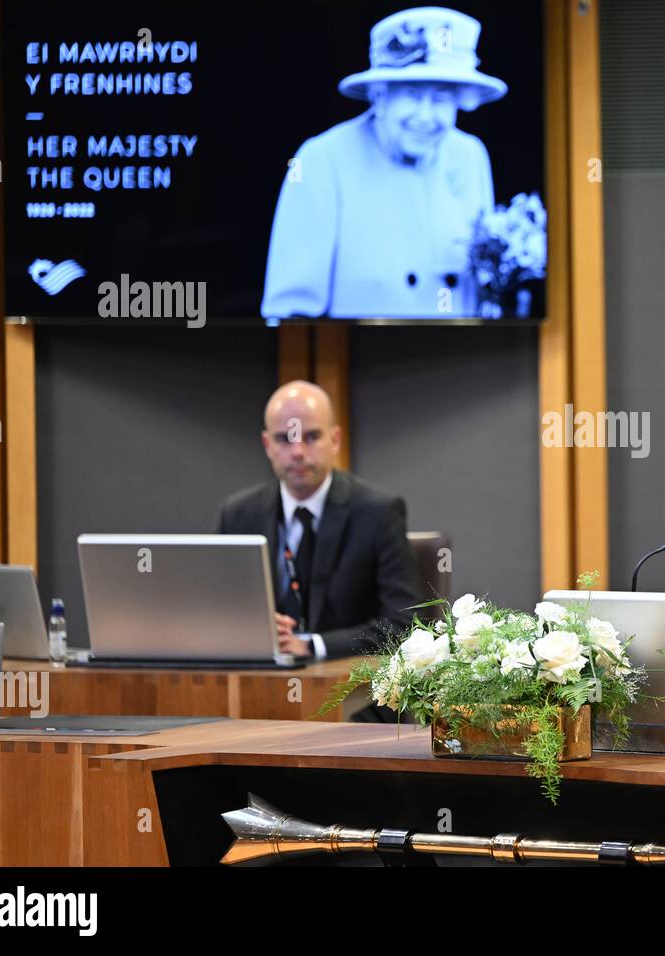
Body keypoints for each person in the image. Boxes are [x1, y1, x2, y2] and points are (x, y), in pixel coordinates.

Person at [261, 6, 507, 321]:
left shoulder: (470, 155)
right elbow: (291, 315)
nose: (426, 116)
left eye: (442, 98)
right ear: (380, 94)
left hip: (457, 362)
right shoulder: (322, 159)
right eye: (411, 95)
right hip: (359, 365)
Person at [217, 380, 422, 660]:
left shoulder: (379, 512)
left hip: (349, 690)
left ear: (335, 440)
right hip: (260, 682)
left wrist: (313, 645)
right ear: (267, 445)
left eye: (311, 436)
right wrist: (256, 629)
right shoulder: (238, 514)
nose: (298, 451)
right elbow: (221, 614)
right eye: (284, 439)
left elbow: (404, 625)